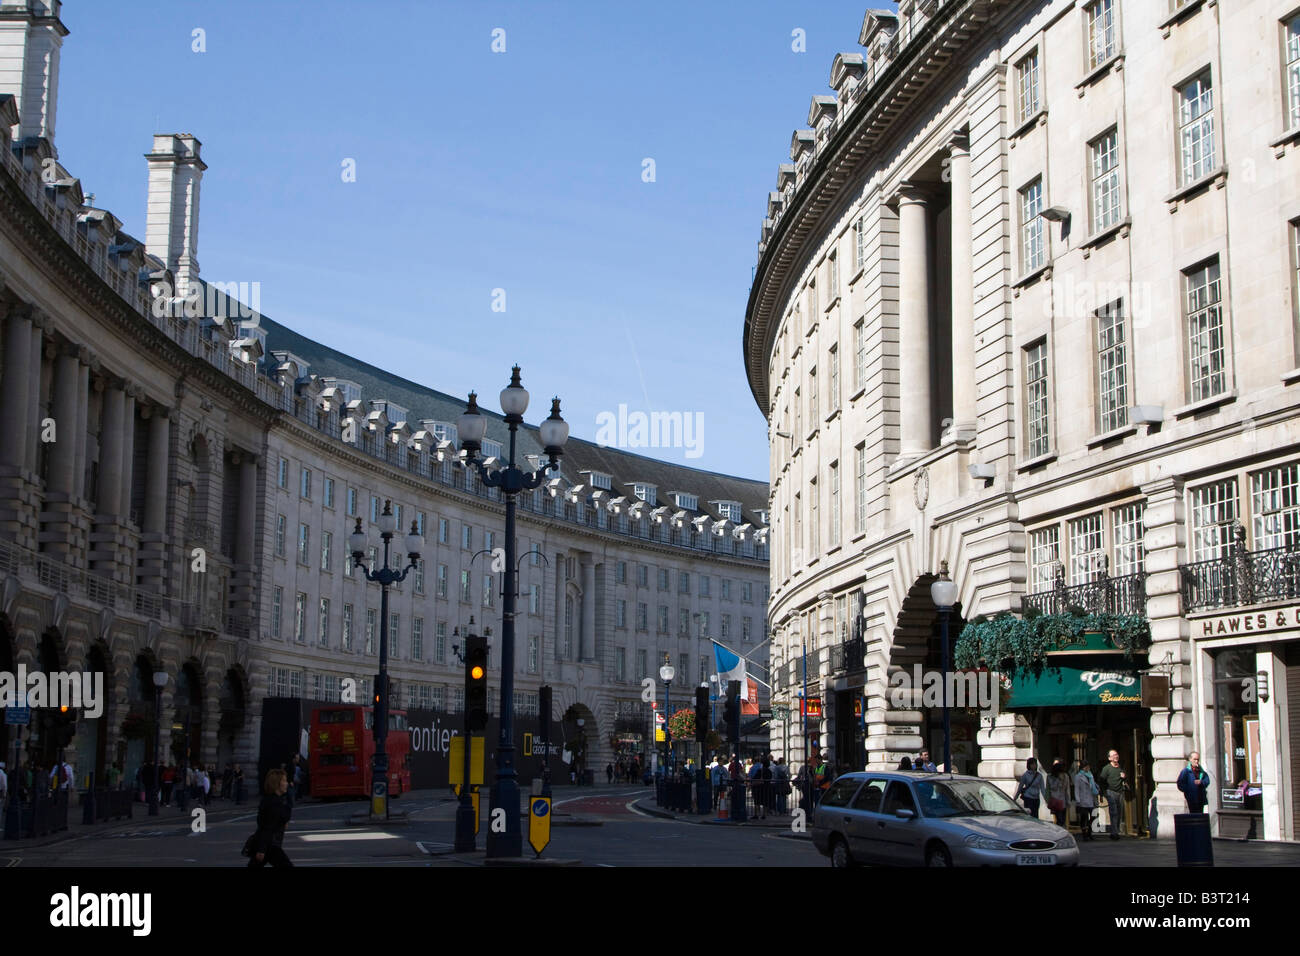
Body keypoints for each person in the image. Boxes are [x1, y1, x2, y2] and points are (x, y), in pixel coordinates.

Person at [247, 768, 294, 867]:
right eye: (284, 781)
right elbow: (267, 827)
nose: (287, 783)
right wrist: (262, 849)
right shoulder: (273, 803)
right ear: (277, 783)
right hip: (270, 845)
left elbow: (284, 818)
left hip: (269, 844)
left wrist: (290, 797)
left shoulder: (276, 800)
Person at [1097, 749, 1127, 839]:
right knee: (1114, 812)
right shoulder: (1106, 769)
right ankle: (1114, 833)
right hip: (1110, 792)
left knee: (1119, 812)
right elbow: (1101, 781)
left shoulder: (1121, 767)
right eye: (1113, 755)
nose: (1116, 756)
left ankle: (1115, 830)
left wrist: (1124, 777)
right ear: (1109, 758)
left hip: (1120, 792)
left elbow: (1124, 779)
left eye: (1116, 754)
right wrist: (1102, 793)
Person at [1074, 760, 1099, 839]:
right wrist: (1077, 799)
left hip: (1091, 799)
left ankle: (1089, 832)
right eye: (1086, 766)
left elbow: (1093, 785)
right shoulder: (1078, 776)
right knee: (1084, 817)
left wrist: (1097, 789)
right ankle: (1084, 833)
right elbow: (1076, 789)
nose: (1088, 768)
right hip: (1082, 799)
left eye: (1088, 766)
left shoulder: (1090, 775)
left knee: (1093, 816)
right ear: (1082, 767)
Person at [1046, 759, 1071, 827]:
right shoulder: (1051, 777)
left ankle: (1060, 830)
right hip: (1058, 801)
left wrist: (1068, 801)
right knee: (1060, 819)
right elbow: (1050, 788)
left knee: (1061, 819)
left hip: (1059, 801)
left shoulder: (1065, 777)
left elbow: (1067, 790)